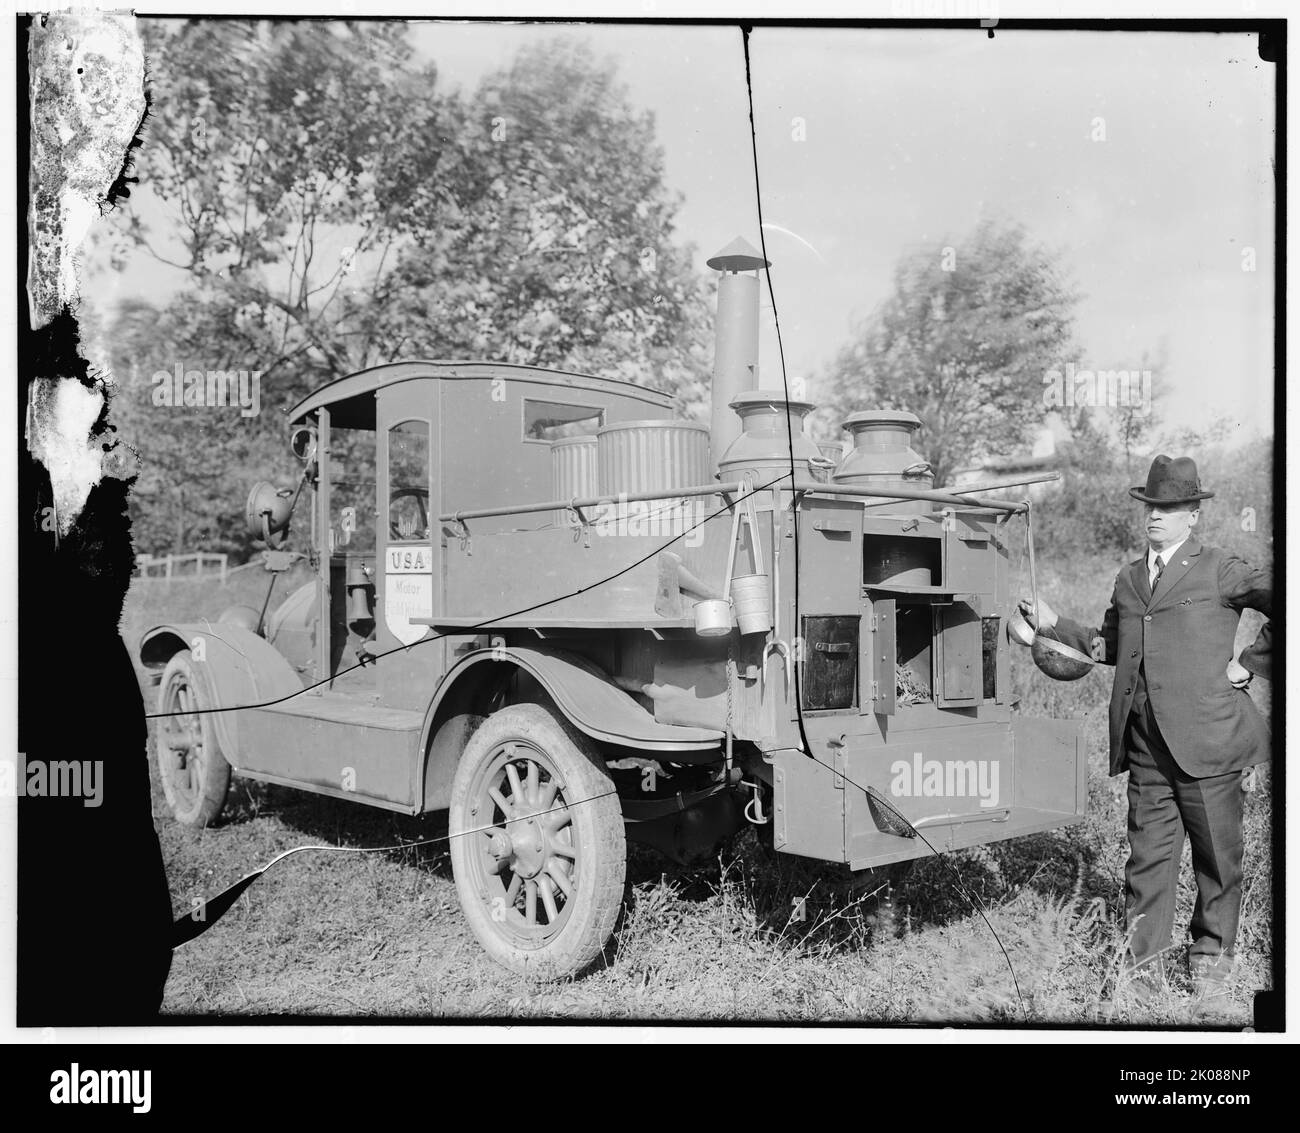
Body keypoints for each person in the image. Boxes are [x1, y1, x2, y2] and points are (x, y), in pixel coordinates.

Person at [1021, 455, 1271, 1014]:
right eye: (1151, 506)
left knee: (1217, 860)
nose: (1157, 516)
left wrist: (1252, 662)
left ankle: (1210, 961)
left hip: (1208, 742)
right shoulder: (1130, 579)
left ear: (1193, 516)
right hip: (1146, 748)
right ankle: (1144, 972)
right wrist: (1052, 622)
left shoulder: (1220, 569)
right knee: (1147, 862)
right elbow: (1107, 646)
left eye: (1170, 507)